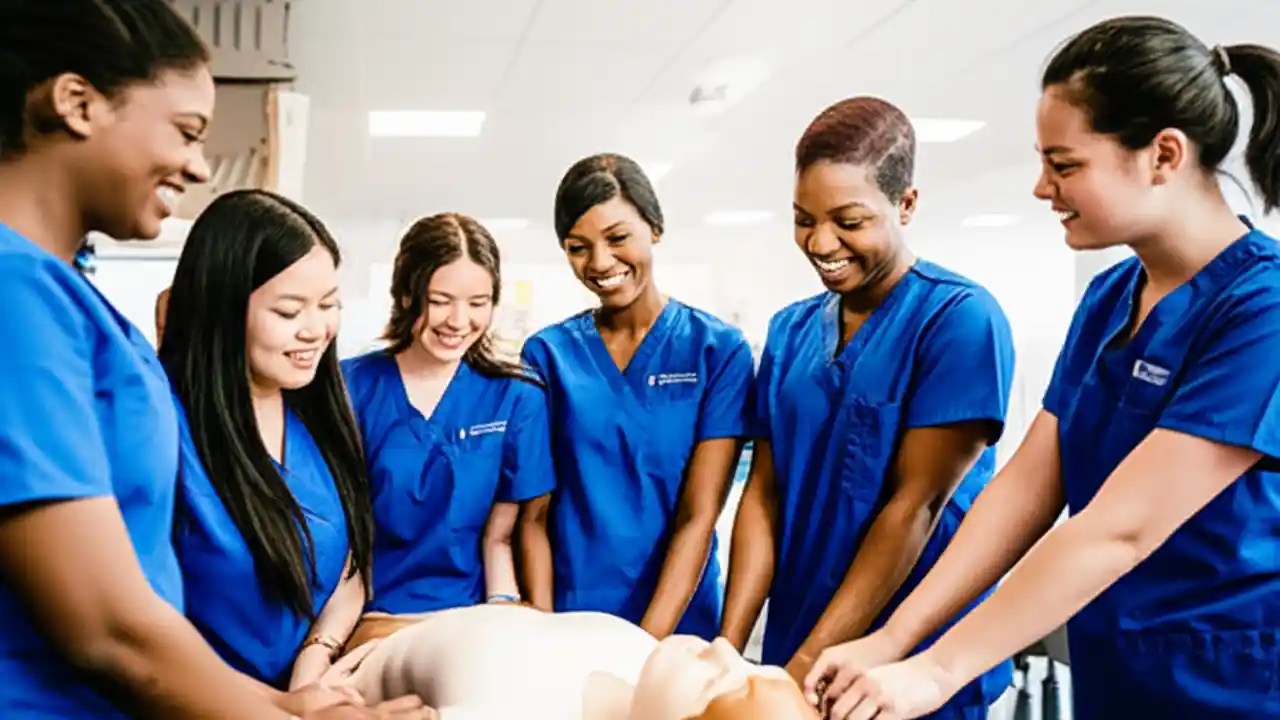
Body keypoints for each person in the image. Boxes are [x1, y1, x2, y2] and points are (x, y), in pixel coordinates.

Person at [804, 16, 1280, 720]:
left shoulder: (1261, 311)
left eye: (1064, 165)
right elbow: (1027, 487)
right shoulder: (1110, 297)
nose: (1040, 187)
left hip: (1228, 680)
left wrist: (938, 671)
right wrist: (894, 639)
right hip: (1117, 668)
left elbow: (1121, 528)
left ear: (1164, 155)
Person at [0, 1, 400, 717]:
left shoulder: (68, 302)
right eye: (185, 132)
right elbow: (111, 631)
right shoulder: (15, 293)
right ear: (76, 102)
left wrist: (295, 704)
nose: (198, 163)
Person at [718, 96, 1016, 717]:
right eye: (804, 218)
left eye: (849, 220)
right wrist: (730, 650)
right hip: (797, 645)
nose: (820, 241)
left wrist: (807, 667)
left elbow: (916, 507)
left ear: (906, 204)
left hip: (908, 668)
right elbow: (763, 495)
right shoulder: (790, 332)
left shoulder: (958, 321)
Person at [158, 190, 404, 700]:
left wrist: (311, 666)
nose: (316, 330)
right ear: (222, 308)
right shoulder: (163, 432)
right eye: (290, 311)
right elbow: (128, 630)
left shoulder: (321, 418)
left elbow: (349, 568)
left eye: (329, 305)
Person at [520, 153, 756, 639]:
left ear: (655, 228)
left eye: (617, 238)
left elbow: (700, 515)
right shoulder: (547, 355)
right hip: (572, 620)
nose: (600, 262)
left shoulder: (716, 350)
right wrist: (543, 633)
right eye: (578, 247)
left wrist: (646, 646)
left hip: (676, 625)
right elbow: (535, 515)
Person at [342, 213, 556, 617]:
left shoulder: (515, 396)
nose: (459, 322)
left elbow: (500, 539)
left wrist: (504, 613)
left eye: (478, 304)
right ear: (407, 294)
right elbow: (339, 537)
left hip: (468, 617)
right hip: (368, 612)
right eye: (440, 302)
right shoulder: (351, 388)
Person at [337, 603, 817, 720]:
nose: (724, 648)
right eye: (756, 664)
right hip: (388, 624)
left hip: (344, 668)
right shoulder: (643, 658)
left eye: (716, 683)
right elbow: (522, 624)